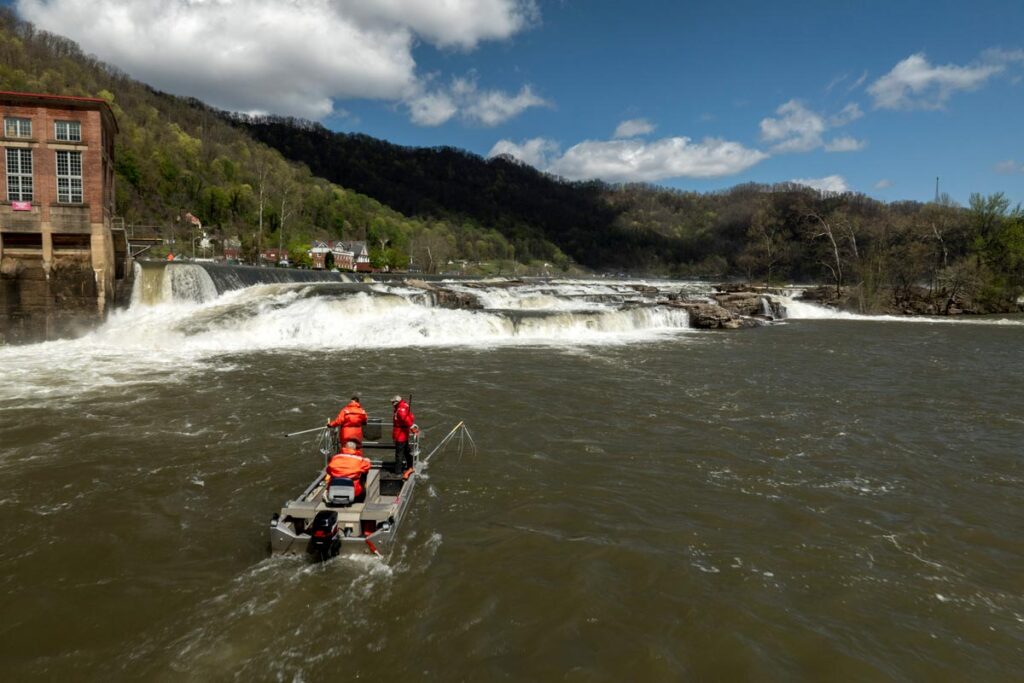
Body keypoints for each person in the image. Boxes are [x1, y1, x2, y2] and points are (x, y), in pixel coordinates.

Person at [391, 394, 416, 477]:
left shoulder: (400, 409)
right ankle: (410, 466)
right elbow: (410, 417)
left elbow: (405, 419)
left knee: (399, 453)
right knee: (406, 451)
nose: (392, 404)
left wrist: (411, 426)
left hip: (400, 435)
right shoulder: (403, 406)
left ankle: (398, 472)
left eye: (393, 402)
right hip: (403, 434)